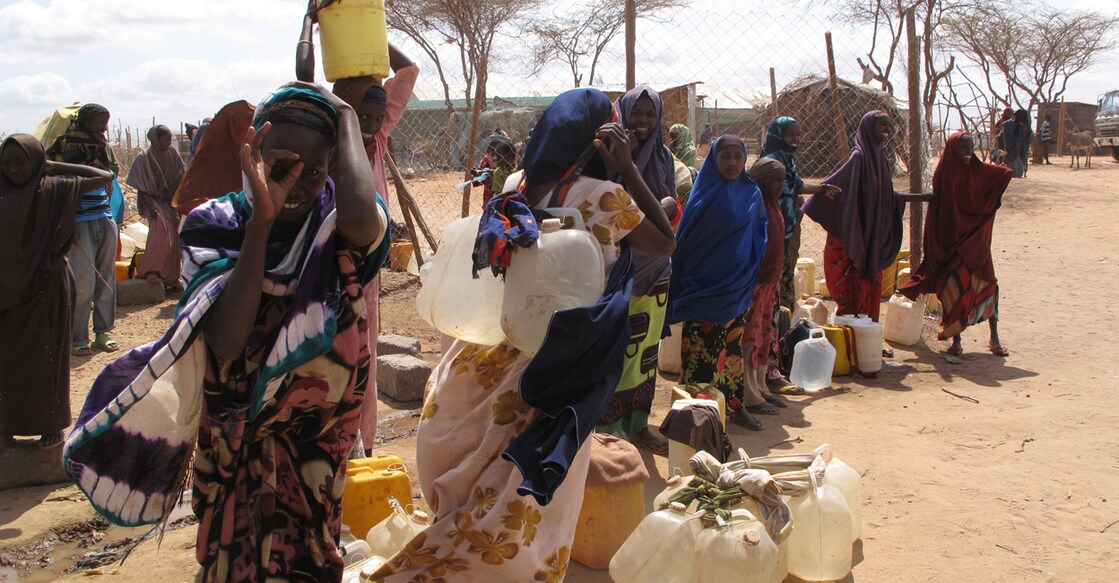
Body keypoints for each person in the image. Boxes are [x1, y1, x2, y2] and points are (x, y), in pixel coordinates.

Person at [63, 84, 388, 582]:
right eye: (281, 166)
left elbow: (365, 216)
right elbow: (227, 342)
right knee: (230, 550)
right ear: (252, 155)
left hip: (314, 433)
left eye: (315, 171)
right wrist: (261, 220)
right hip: (237, 431)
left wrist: (345, 115)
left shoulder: (335, 220)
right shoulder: (215, 223)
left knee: (310, 548)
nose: (298, 183)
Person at [371, 88, 674, 580]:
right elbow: (665, 240)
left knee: (480, 461)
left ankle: (461, 546)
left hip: (495, 340)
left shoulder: (514, 183)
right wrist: (629, 170)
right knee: (531, 483)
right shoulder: (603, 196)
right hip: (558, 355)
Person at [297, 1, 420, 454]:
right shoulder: (326, 132)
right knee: (322, 349)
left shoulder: (380, 131)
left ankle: (359, 441)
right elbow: (306, 82)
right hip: (321, 262)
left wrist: (372, 37)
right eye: (361, 118)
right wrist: (312, 27)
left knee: (362, 346)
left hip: (363, 268)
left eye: (374, 119)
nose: (369, 127)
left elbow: (407, 70)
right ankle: (324, 438)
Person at [0, 135, 113, 450]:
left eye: (21, 162)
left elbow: (106, 177)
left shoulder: (54, 189)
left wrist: (52, 165)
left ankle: (51, 425)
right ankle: (6, 426)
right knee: (8, 362)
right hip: (7, 292)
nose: (13, 169)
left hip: (47, 288)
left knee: (47, 358)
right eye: (6, 163)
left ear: (36, 161)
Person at [668, 136, 770, 431]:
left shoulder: (751, 193)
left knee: (732, 350)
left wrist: (748, 272)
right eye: (726, 157)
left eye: (738, 157)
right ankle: (693, 415)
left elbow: (758, 236)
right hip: (705, 289)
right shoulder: (704, 194)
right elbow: (685, 242)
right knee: (701, 351)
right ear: (714, 159)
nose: (732, 163)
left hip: (737, 287)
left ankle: (733, 405)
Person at [599, 85, 677, 453]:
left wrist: (659, 206)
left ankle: (638, 424)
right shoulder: (610, 154)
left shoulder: (664, 158)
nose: (643, 121)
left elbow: (670, 205)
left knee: (646, 355)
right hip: (620, 268)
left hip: (656, 268)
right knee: (615, 349)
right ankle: (608, 428)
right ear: (624, 114)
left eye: (650, 114)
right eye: (637, 113)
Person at [802, 110, 933, 322]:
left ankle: (867, 336)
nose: (886, 131)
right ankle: (852, 338)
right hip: (854, 239)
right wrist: (846, 223)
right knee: (850, 290)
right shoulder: (859, 158)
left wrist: (921, 197)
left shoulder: (879, 159)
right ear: (868, 128)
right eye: (882, 126)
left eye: (888, 127)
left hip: (869, 238)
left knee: (870, 286)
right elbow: (836, 188)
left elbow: (886, 197)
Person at [900, 132, 1012, 360]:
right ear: (952, 151)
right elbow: (940, 211)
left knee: (988, 284)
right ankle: (956, 339)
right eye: (963, 148)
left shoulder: (977, 172)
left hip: (975, 242)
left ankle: (994, 337)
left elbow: (1005, 173)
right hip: (952, 244)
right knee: (952, 288)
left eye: (971, 148)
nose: (968, 153)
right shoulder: (944, 174)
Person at [46, 103, 121, 356]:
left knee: (106, 276)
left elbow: (110, 178)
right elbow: (52, 182)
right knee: (83, 281)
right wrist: (65, 222)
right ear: (86, 122)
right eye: (101, 123)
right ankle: (78, 338)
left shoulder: (102, 147)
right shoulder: (62, 147)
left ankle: (102, 332)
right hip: (78, 220)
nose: (105, 128)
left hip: (103, 215)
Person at [761, 117, 841, 311]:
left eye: (798, 134)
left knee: (786, 268)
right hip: (771, 226)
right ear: (778, 135)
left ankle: (781, 317)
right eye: (790, 135)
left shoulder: (787, 160)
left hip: (787, 224)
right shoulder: (771, 161)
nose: (795, 139)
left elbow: (797, 186)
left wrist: (822, 189)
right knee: (773, 271)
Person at [741, 157, 790, 414]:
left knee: (763, 336)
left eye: (783, 180)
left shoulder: (774, 206)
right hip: (755, 283)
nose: (780, 185)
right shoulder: (754, 206)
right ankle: (749, 393)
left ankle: (761, 387)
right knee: (750, 336)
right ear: (760, 180)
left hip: (769, 284)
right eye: (775, 180)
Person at [126, 125, 185, 291]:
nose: (168, 143)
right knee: (159, 234)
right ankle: (151, 271)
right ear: (155, 139)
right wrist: (150, 205)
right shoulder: (143, 158)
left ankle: (172, 277)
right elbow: (140, 186)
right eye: (165, 140)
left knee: (173, 237)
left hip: (170, 200)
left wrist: (172, 192)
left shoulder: (172, 154)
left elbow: (181, 175)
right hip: (153, 200)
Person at [1002, 109, 1033, 178]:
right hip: (1011, 153)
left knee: (1017, 173)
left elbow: (1028, 138)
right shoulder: (1008, 125)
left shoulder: (1025, 126)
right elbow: (1007, 140)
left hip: (1021, 153)